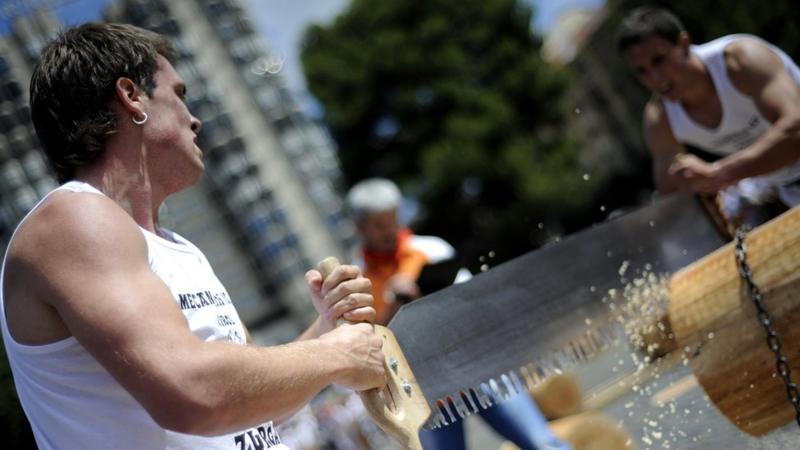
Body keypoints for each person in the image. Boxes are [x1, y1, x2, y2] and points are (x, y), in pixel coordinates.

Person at [0, 23, 386, 450]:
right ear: (131, 96)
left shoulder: (180, 249)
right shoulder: (71, 219)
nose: (195, 119)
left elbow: (253, 408)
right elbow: (195, 395)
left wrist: (326, 330)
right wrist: (338, 354)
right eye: (179, 94)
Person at [346, 178, 571, 450]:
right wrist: (393, 310)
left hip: (479, 369)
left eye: (392, 219)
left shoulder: (431, 249)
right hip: (424, 395)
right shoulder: (357, 280)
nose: (390, 230)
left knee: (543, 444)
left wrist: (422, 301)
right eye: (380, 225)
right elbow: (365, 345)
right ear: (361, 228)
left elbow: (473, 304)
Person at [616, 6, 800, 225]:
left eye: (659, 60)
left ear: (684, 43)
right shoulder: (660, 120)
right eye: (641, 71)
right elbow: (674, 204)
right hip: (791, 192)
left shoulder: (741, 59)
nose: (654, 77)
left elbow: (796, 131)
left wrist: (718, 174)